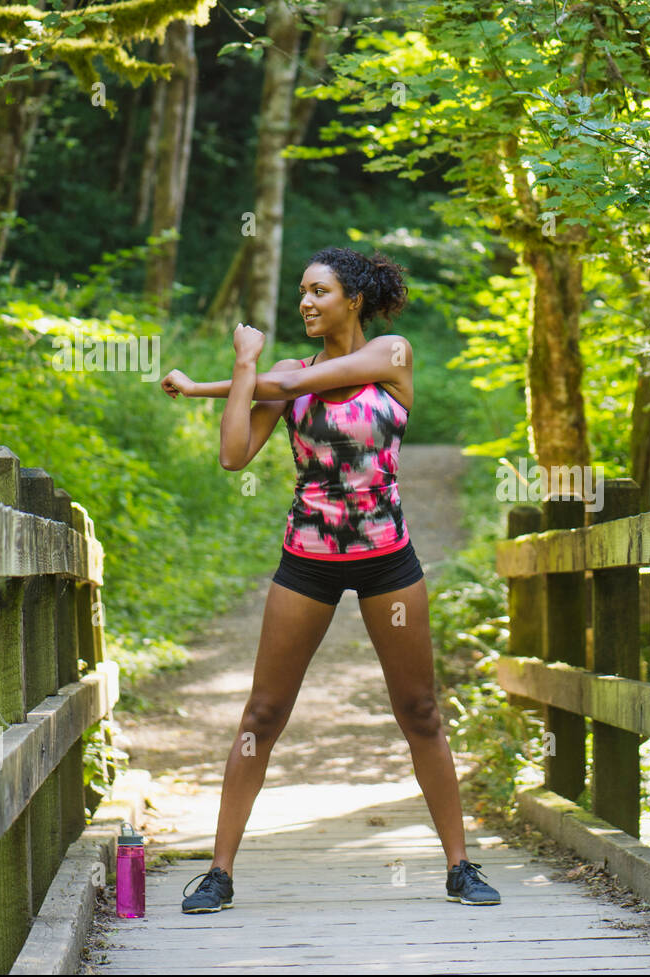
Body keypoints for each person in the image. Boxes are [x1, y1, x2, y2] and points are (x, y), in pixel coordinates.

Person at [158, 246, 499, 913]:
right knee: (262, 711)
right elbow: (233, 455)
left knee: (420, 710)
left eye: (319, 291)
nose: (306, 303)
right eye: (302, 293)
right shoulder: (283, 372)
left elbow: (296, 386)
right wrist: (241, 370)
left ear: (355, 299)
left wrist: (240, 378)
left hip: (387, 556)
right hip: (308, 558)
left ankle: (460, 865)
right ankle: (219, 873)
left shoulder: (391, 354)